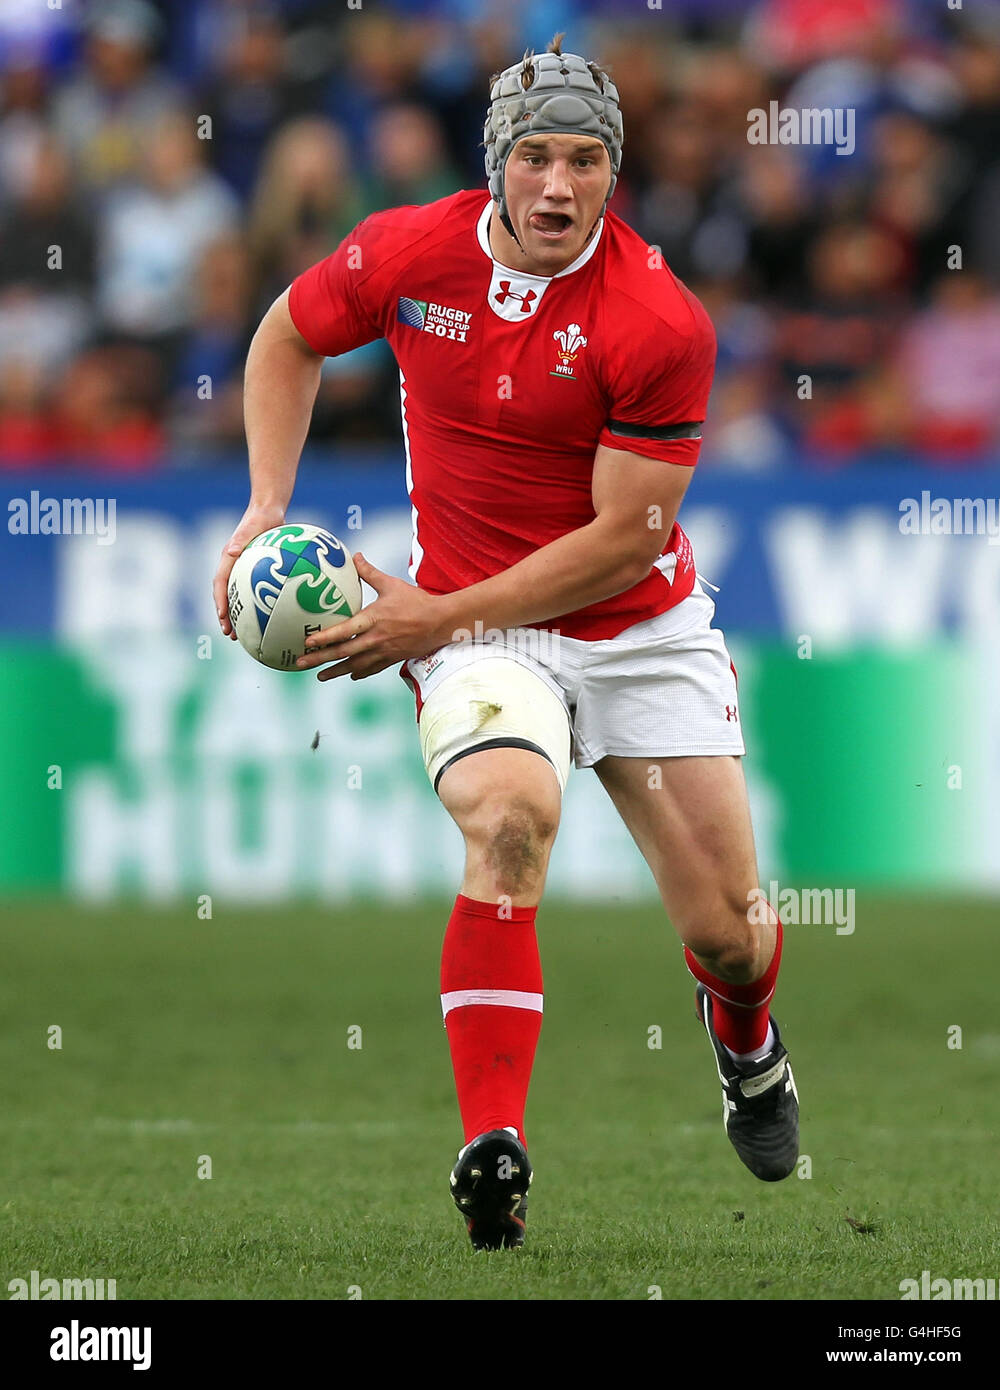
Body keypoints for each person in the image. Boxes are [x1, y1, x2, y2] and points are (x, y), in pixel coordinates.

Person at [213, 35, 799, 1252]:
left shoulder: (659, 319)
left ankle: (746, 1044)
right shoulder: (405, 250)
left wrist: (431, 614)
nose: (559, 186)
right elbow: (286, 333)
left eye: (586, 160)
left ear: (613, 172)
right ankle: (496, 1145)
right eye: (535, 156)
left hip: (636, 630)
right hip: (485, 640)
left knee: (728, 934)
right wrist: (268, 504)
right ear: (496, 165)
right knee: (509, 816)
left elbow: (627, 543)